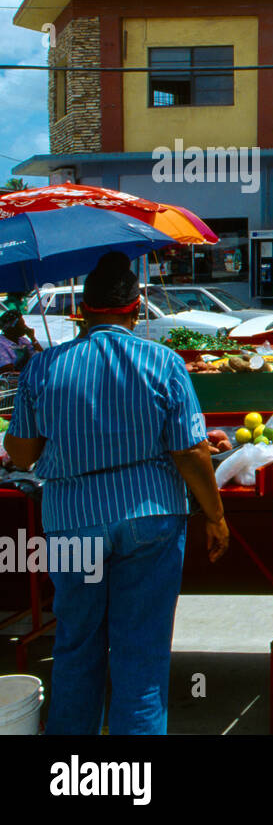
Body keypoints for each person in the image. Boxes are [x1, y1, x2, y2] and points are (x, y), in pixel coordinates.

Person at [2, 251, 229, 734]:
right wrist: (216, 515)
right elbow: (190, 452)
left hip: (71, 523)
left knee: (76, 648)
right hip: (150, 518)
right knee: (140, 654)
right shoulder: (162, 361)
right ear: (136, 306)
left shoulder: (43, 368)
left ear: (82, 309)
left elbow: (21, 456)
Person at [0, 308, 41, 373]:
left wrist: (33, 338)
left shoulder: (23, 340)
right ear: (11, 327)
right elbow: (7, 369)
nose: (25, 327)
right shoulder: (2, 344)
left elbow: (41, 357)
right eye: (21, 324)